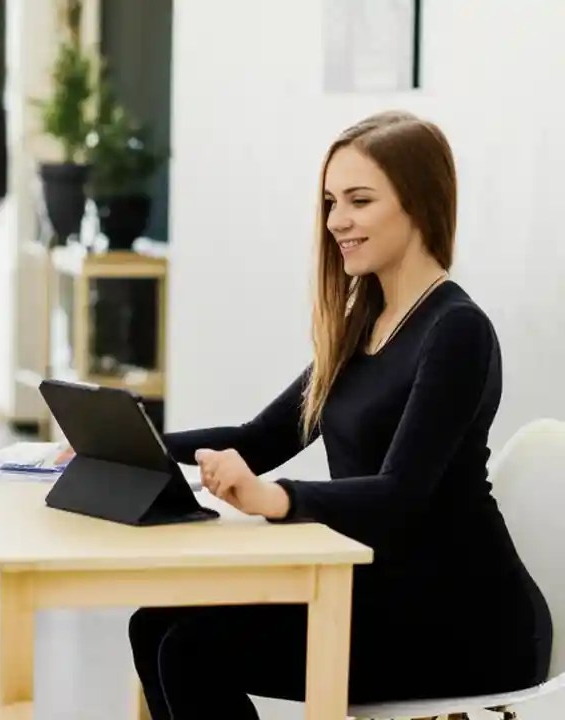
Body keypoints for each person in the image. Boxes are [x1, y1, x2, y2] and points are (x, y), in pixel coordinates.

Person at [129, 111, 552, 718]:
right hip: (379, 592)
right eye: (331, 202)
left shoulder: (456, 330)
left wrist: (276, 498)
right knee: (153, 625)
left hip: (464, 618)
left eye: (359, 200)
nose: (335, 221)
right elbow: (260, 437)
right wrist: (129, 442)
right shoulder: (363, 325)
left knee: (190, 651)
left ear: (419, 203)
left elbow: (399, 493)